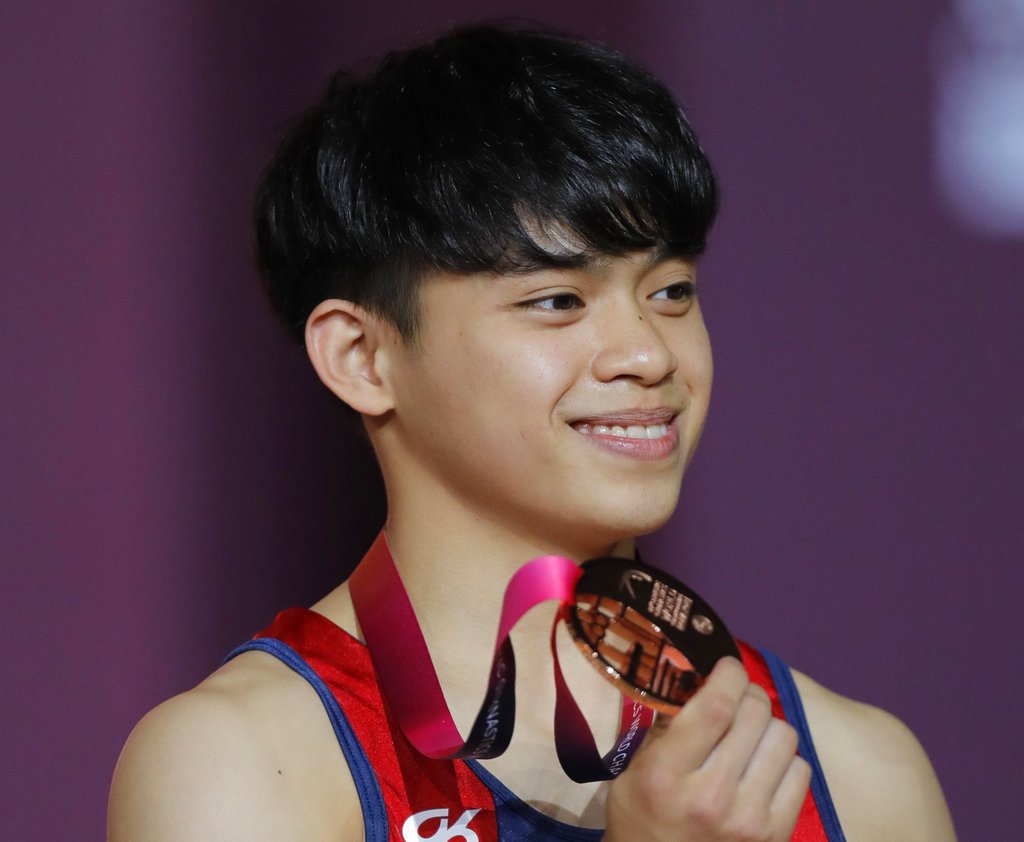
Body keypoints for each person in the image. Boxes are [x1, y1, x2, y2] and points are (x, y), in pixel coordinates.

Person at [107, 24, 956, 841]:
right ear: (362, 355)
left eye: (671, 291)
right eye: (557, 301)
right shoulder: (240, 762)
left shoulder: (856, 771)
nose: (646, 354)